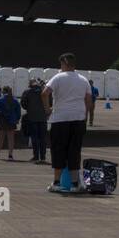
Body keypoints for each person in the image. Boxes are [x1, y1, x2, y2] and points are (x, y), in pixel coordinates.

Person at [42, 52, 92, 193]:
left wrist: (48, 110)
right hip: (78, 119)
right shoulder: (83, 80)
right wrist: (85, 115)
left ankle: (56, 183)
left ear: (64, 63)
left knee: (58, 150)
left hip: (60, 119)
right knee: (74, 151)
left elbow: (44, 93)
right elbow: (89, 100)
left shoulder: (58, 77)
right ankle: (76, 184)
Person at [21, 78, 48, 163]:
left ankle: (36, 156)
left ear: (30, 84)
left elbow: (23, 104)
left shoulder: (27, 92)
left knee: (34, 138)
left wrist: (30, 108)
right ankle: (43, 157)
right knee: (43, 138)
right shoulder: (44, 91)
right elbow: (49, 102)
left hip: (32, 117)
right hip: (43, 118)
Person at [0, 85, 21, 160]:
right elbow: (18, 111)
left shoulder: (1, 99)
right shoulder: (15, 100)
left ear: (3, 91)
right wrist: (17, 118)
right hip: (12, 120)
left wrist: (2, 113)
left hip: (2, 119)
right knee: (11, 138)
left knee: (0, 137)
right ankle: (10, 155)